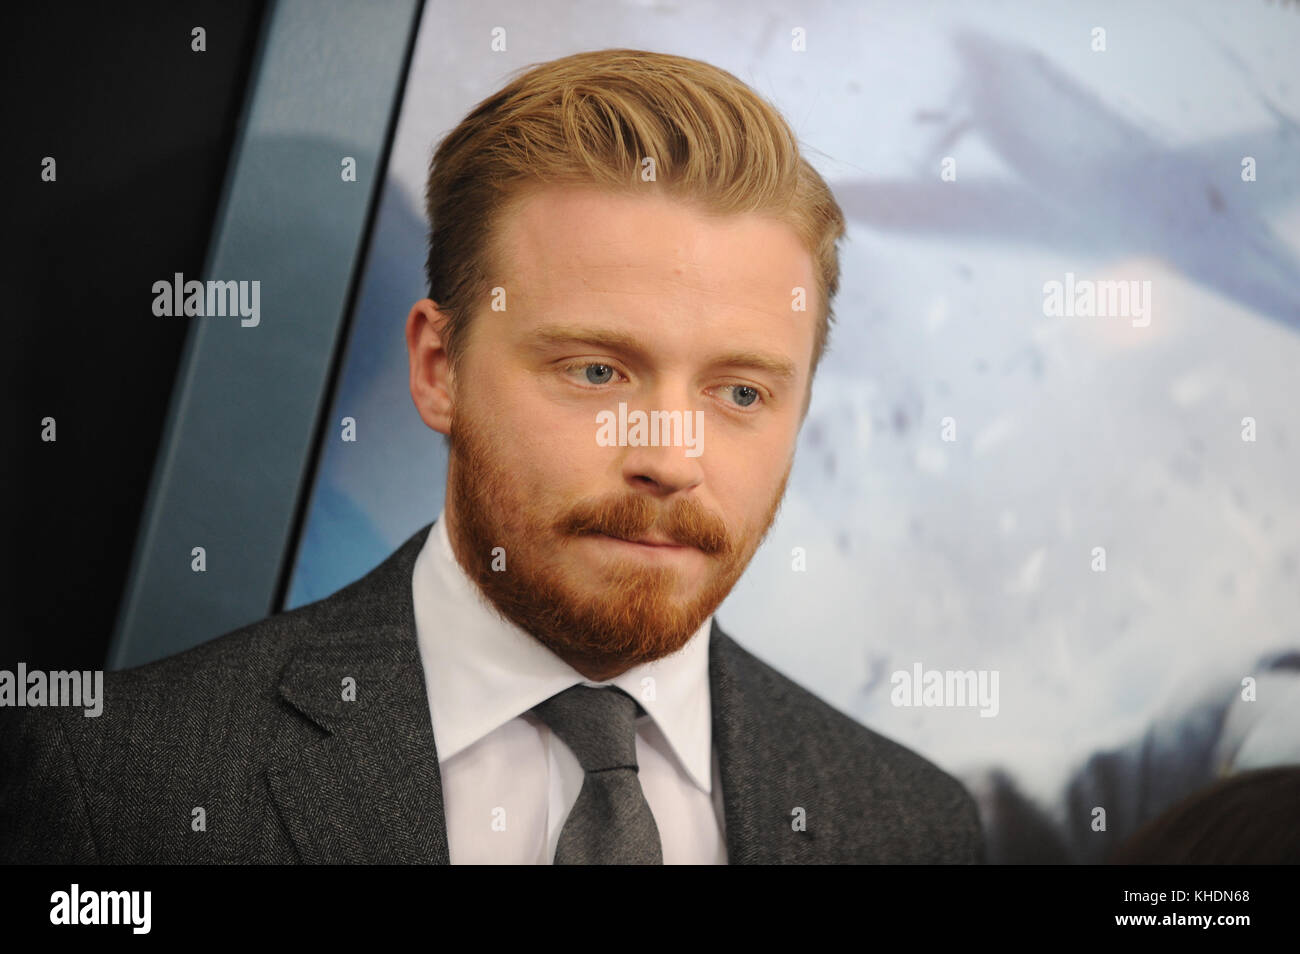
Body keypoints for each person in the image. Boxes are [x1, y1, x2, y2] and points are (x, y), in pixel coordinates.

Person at [0, 48, 983, 864]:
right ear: (438, 368)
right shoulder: (120, 792)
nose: (671, 460)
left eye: (740, 394)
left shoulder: (910, 829)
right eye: (597, 371)